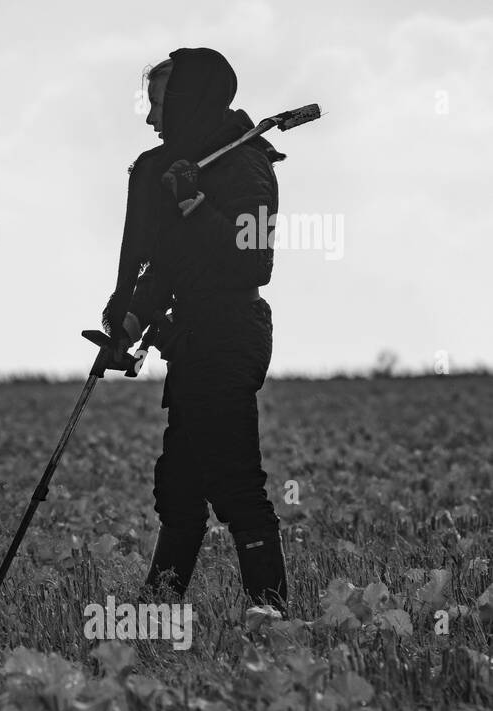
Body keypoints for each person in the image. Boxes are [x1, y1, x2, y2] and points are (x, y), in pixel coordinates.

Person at [102, 47, 289, 616]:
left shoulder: (246, 165)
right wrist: (128, 322)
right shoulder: (186, 162)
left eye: (158, 103)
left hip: (229, 336)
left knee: (236, 486)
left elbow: (253, 264)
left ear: (187, 100)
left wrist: (194, 204)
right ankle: (156, 615)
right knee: (180, 491)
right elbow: (166, 267)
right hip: (192, 341)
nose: (152, 117)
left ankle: (272, 614)